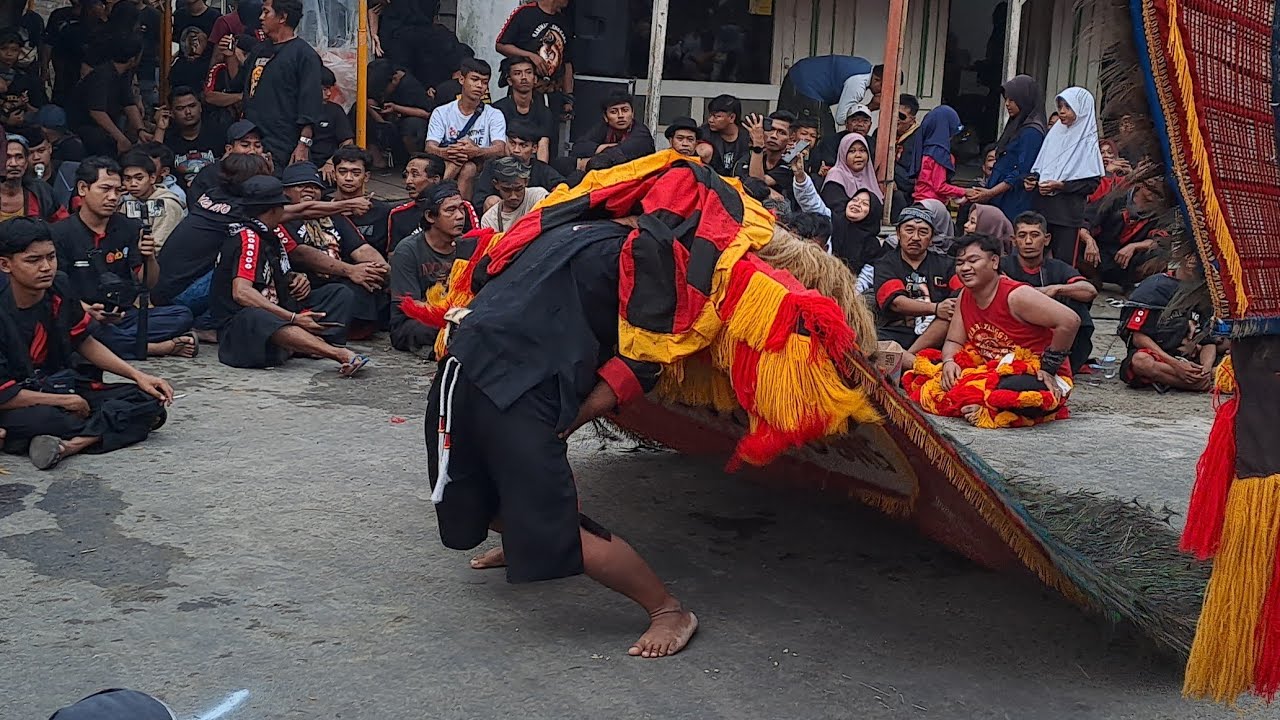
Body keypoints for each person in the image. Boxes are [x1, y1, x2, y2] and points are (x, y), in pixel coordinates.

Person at [418, 216, 696, 659]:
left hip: (520, 384)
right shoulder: (555, 227)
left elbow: (644, 357)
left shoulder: (641, 246)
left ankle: (667, 610)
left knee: (555, 524)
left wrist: (574, 417)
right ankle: (521, 536)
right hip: (465, 366)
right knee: (464, 491)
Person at [0, 218, 174, 470]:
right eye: (33, 261)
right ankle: (85, 432)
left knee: (149, 400)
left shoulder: (58, 286)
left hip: (56, 384)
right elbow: (5, 395)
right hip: (17, 400)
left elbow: (83, 340)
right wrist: (63, 402)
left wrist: (138, 375)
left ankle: (71, 445)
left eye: (51, 257)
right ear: (5, 264)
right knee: (50, 418)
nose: (46, 267)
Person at [903, 233, 1080, 428]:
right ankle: (983, 403)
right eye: (960, 263)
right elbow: (954, 341)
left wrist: (1049, 368)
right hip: (989, 370)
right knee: (934, 375)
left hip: (1034, 373)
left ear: (994, 261)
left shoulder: (1016, 295)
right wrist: (949, 361)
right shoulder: (965, 295)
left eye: (973, 260)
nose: (965, 268)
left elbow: (1070, 321)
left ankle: (991, 409)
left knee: (1009, 392)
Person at [210, 175, 369, 374]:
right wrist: (293, 318)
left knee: (338, 294)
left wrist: (295, 277)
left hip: (279, 304)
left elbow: (272, 273)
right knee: (259, 316)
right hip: (242, 327)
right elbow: (242, 293)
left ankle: (305, 345)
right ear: (275, 210)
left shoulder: (269, 231)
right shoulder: (248, 238)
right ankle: (337, 353)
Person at [51, 157, 197, 360]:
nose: (113, 197)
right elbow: (55, 286)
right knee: (73, 325)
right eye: (105, 189)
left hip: (122, 315)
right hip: (82, 312)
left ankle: (106, 346)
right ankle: (156, 348)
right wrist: (84, 309)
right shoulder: (60, 233)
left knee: (181, 315)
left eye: (118, 191)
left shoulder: (130, 227)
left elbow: (148, 282)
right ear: (83, 188)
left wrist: (150, 257)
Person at [279, 163, 388, 338]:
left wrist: (382, 269)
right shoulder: (280, 216)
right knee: (343, 290)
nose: (309, 190)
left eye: (315, 187)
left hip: (338, 278)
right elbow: (301, 253)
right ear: (285, 190)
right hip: (305, 283)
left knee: (371, 280)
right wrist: (350, 270)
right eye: (301, 185)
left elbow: (361, 249)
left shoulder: (332, 215)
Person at [1000, 211, 1097, 372]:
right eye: (1022, 235)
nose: (1028, 241)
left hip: (1049, 335)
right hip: (1010, 332)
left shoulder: (1057, 267)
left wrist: (1055, 289)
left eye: (1035, 235)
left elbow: (1090, 291)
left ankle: (1061, 362)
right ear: (1014, 241)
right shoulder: (1001, 266)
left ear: (1046, 239)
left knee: (1076, 307)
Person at [237, 0, 324, 169]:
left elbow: (310, 104)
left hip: (284, 142)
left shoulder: (304, 55)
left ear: (282, 17)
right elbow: (240, 84)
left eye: (266, 12)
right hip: (252, 140)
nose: (261, 17)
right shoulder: (259, 50)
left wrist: (303, 144)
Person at [1025, 86, 1104, 267]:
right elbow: (1042, 165)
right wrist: (1033, 180)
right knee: (1035, 259)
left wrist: (1060, 185)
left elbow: (1091, 183)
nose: (1062, 112)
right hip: (1043, 207)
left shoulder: (1088, 142)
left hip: (1066, 214)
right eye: (1060, 106)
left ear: (1081, 109)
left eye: (1068, 107)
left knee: (1063, 263)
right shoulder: (1056, 132)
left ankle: (1059, 295)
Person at [1118, 254, 1220, 392]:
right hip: (1159, 355)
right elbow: (1138, 337)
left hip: (1190, 357)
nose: (1193, 261)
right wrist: (1175, 364)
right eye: (1189, 255)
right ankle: (1193, 383)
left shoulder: (1204, 291)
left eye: (1198, 257)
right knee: (1141, 361)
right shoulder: (1154, 286)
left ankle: (1198, 379)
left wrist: (1206, 369)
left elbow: (1209, 340)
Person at [872, 204, 960, 350]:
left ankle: (910, 357)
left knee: (951, 316)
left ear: (931, 238)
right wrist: (936, 308)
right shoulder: (886, 264)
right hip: (898, 332)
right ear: (898, 234)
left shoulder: (948, 264)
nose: (915, 237)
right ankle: (912, 359)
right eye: (909, 230)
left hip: (941, 332)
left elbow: (963, 294)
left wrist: (942, 311)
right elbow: (896, 302)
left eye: (923, 232)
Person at [389, 182, 463, 354]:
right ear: (430, 216)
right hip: (414, 321)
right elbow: (409, 305)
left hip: (455, 315)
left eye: (461, 209)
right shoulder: (408, 250)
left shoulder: (467, 246)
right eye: (450, 210)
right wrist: (451, 317)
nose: (460, 216)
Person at [967, 75, 1047, 222]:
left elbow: (1021, 171)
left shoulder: (1032, 131)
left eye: (1012, 100)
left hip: (1014, 199)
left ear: (1024, 100)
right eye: (1006, 100)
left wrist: (991, 192)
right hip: (1001, 196)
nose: (1007, 104)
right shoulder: (1017, 125)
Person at [426, 57, 507, 201]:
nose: (479, 86)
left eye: (484, 82)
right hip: (447, 162)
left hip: (482, 165)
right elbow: (430, 147)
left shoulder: (494, 114)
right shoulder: (441, 112)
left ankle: (433, 196)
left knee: (468, 164)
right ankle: (460, 211)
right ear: (462, 80)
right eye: (474, 79)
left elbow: (500, 149)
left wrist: (475, 151)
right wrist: (448, 152)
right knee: (466, 164)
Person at [494, 0, 575, 121]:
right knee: (521, 135)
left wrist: (568, 97)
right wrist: (530, 56)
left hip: (553, 93)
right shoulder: (525, 13)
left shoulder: (564, 21)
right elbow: (501, 45)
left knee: (550, 136)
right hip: (525, 92)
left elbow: (567, 63)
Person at [1087, 177, 1166, 291]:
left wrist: (1134, 246)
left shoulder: (1160, 212)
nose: (1154, 193)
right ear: (1141, 185)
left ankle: (1130, 285)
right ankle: (1093, 278)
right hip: (1100, 254)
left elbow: (1161, 239)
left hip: (1131, 262)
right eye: (1151, 188)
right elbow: (1085, 221)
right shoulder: (1116, 199)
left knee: (1161, 254)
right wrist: (1089, 241)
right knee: (1076, 240)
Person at [70, 37, 144, 157]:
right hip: (86, 127)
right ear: (133, 59)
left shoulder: (124, 73)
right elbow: (96, 112)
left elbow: (128, 103)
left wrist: (141, 130)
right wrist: (120, 138)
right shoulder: (102, 76)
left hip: (108, 127)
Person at [777, 55, 881, 139]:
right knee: (824, 136)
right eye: (883, 87)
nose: (882, 92)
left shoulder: (865, 66)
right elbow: (841, 118)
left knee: (787, 124)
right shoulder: (858, 84)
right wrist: (871, 107)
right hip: (806, 86)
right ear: (876, 80)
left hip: (797, 75)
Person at [472, 123, 565, 212]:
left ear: (534, 148)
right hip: (500, 218)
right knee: (491, 201)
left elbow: (562, 188)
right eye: (512, 143)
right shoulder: (493, 166)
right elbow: (479, 199)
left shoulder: (541, 169)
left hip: (531, 219)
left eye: (523, 145)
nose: (516, 150)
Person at [363, 60, 431, 167]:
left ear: (394, 80)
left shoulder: (410, 86)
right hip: (386, 120)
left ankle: (415, 161)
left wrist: (397, 108)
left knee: (413, 125)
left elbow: (427, 113)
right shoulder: (378, 77)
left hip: (409, 125)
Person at [330, 146, 393, 255]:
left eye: (356, 173)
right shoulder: (323, 210)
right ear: (334, 174)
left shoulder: (383, 212)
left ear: (366, 176)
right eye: (342, 171)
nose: (348, 178)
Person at [492, 56, 556, 162]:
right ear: (509, 81)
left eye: (528, 72)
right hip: (503, 164)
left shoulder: (544, 112)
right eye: (517, 73)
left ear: (535, 79)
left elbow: (543, 145)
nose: (524, 77)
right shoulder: (497, 110)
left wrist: (540, 173)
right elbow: (501, 144)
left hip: (532, 163)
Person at [571, 91, 654, 172]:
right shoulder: (604, 127)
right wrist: (604, 147)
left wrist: (584, 162)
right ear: (605, 117)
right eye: (614, 112)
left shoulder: (642, 133)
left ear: (632, 113)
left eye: (625, 110)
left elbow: (609, 158)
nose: (620, 116)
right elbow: (578, 148)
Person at [187, 119, 269, 201]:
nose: (252, 150)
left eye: (257, 145)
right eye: (245, 145)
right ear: (229, 149)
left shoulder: (265, 172)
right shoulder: (210, 174)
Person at [119, 149, 185, 250]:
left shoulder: (167, 203)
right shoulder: (127, 202)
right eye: (127, 179)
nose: (133, 184)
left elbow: (158, 246)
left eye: (139, 178)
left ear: (152, 178)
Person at [163, 86, 225, 189]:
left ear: (200, 107)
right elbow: (153, 167)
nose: (188, 112)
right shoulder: (167, 137)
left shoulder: (219, 133)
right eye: (180, 108)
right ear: (171, 113)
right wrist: (160, 129)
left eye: (192, 106)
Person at [0, 134, 65, 223]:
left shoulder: (42, 191)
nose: (14, 163)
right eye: (7, 157)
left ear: (26, 162)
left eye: (19, 157)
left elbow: (62, 223)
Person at [830, 189, 886, 287]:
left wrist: (850, 296)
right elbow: (812, 202)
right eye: (854, 200)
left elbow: (866, 277)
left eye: (865, 204)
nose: (857, 204)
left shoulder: (872, 244)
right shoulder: (831, 223)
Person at [912, 105, 967, 204]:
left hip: (919, 200)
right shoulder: (939, 153)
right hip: (932, 203)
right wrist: (965, 191)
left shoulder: (923, 148)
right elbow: (939, 187)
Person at [479, 157, 549, 232]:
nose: (513, 196)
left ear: (526, 182)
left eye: (518, 189)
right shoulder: (490, 220)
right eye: (506, 190)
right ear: (496, 184)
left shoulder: (539, 197)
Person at [820, 133, 882, 211]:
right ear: (843, 153)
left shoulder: (869, 176)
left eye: (862, 150)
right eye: (852, 151)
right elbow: (837, 210)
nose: (858, 155)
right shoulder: (836, 176)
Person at [744, 111, 796, 201]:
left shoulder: (791, 162)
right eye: (771, 129)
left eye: (782, 132)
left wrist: (758, 145)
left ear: (791, 139)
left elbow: (757, 184)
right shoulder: (750, 156)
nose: (773, 136)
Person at [312, 67, 356, 170]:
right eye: (324, 89)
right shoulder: (294, 110)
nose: (329, 93)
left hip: (329, 164)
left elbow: (347, 142)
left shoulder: (335, 110)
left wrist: (331, 162)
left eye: (329, 89)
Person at [696, 94, 750, 177]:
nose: (710, 120)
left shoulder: (748, 135)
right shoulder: (703, 133)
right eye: (710, 115)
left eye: (717, 116)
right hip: (711, 181)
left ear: (732, 117)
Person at [170, 26, 213, 93]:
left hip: (202, 73)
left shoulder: (214, 17)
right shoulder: (178, 66)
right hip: (181, 70)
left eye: (196, 43)